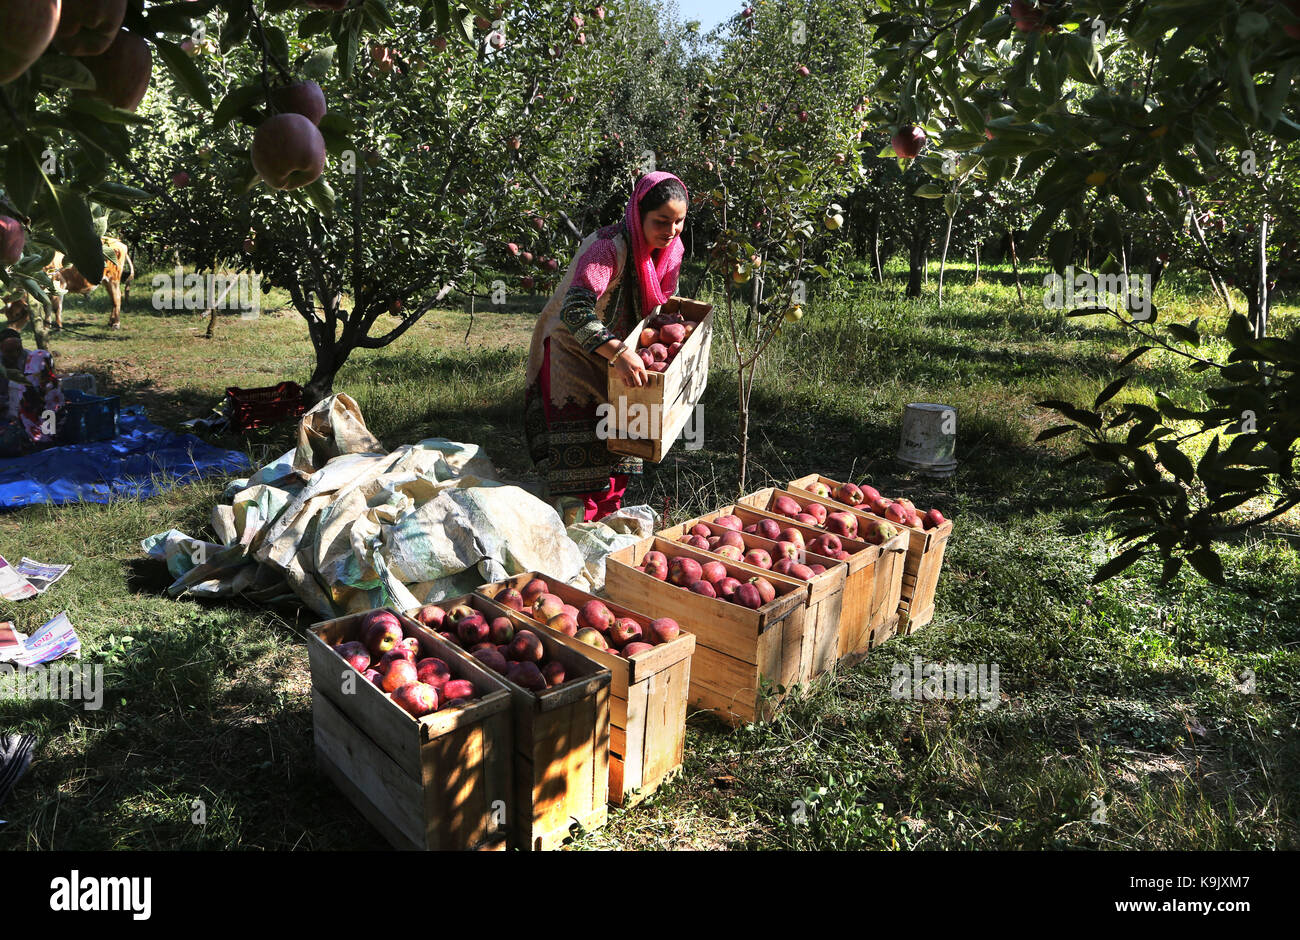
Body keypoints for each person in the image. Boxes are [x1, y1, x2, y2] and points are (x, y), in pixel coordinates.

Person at [524, 171, 689, 524]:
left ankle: (605, 531)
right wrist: (617, 351)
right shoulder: (607, 248)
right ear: (637, 214)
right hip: (575, 356)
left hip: (625, 357)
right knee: (580, 455)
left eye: (679, 222)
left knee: (623, 445)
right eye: (661, 221)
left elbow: (660, 306)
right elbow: (575, 309)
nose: (671, 230)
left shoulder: (671, 251)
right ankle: (571, 532)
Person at [0, 328, 63, 454]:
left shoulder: (31, 359)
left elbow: (48, 413)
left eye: (18, 349)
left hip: (30, 423)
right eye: (9, 351)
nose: (15, 354)